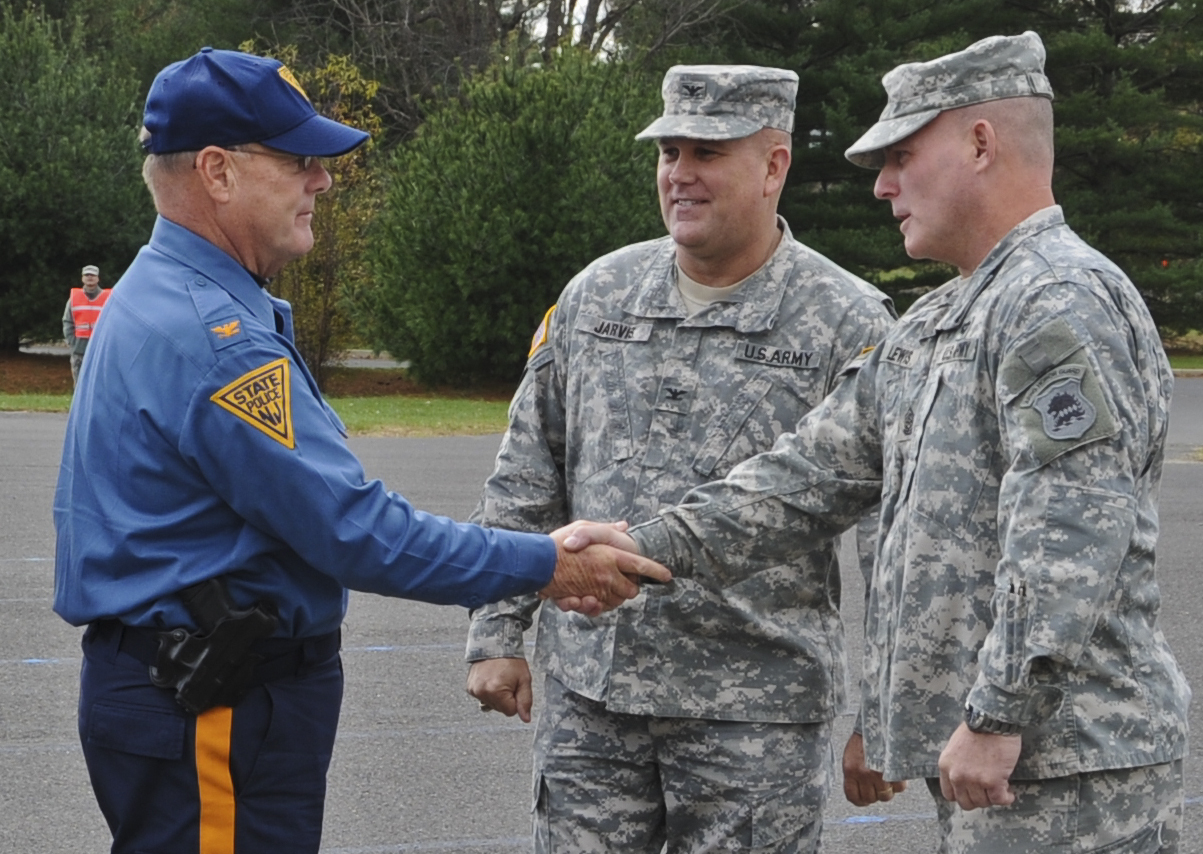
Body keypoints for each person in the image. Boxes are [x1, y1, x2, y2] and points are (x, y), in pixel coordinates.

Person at [563, 32, 1190, 853]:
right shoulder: (940, 321)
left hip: (1067, 767)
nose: (883, 187)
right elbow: (801, 479)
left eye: (900, 156)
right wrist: (638, 548)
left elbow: (1069, 533)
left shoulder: (1057, 303)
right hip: (994, 760)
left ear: (978, 142)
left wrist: (1000, 711)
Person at [52, 47, 670, 854]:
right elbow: (355, 531)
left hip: (196, 692)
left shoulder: (170, 294)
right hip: (211, 708)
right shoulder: (218, 339)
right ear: (217, 171)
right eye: (298, 158)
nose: (323, 180)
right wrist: (543, 563)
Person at [464, 65, 895, 853]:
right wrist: (496, 631)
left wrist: (887, 710)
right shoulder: (598, 295)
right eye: (668, 151)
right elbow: (530, 468)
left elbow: (889, 537)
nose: (679, 174)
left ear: (773, 165)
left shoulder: (847, 320)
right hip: (591, 697)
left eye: (707, 152)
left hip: (753, 714)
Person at [63, 264, 111, 384]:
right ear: (82, 278)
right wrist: (72, 343)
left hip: (100, 350)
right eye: (87, 275)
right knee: (79, 385)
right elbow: (67, 322)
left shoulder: (107, 298)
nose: (90, 277)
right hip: (79, 350)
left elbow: (113, 323)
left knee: (99, 385)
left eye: (93, 275)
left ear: (98, 278)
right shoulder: (74, 298)